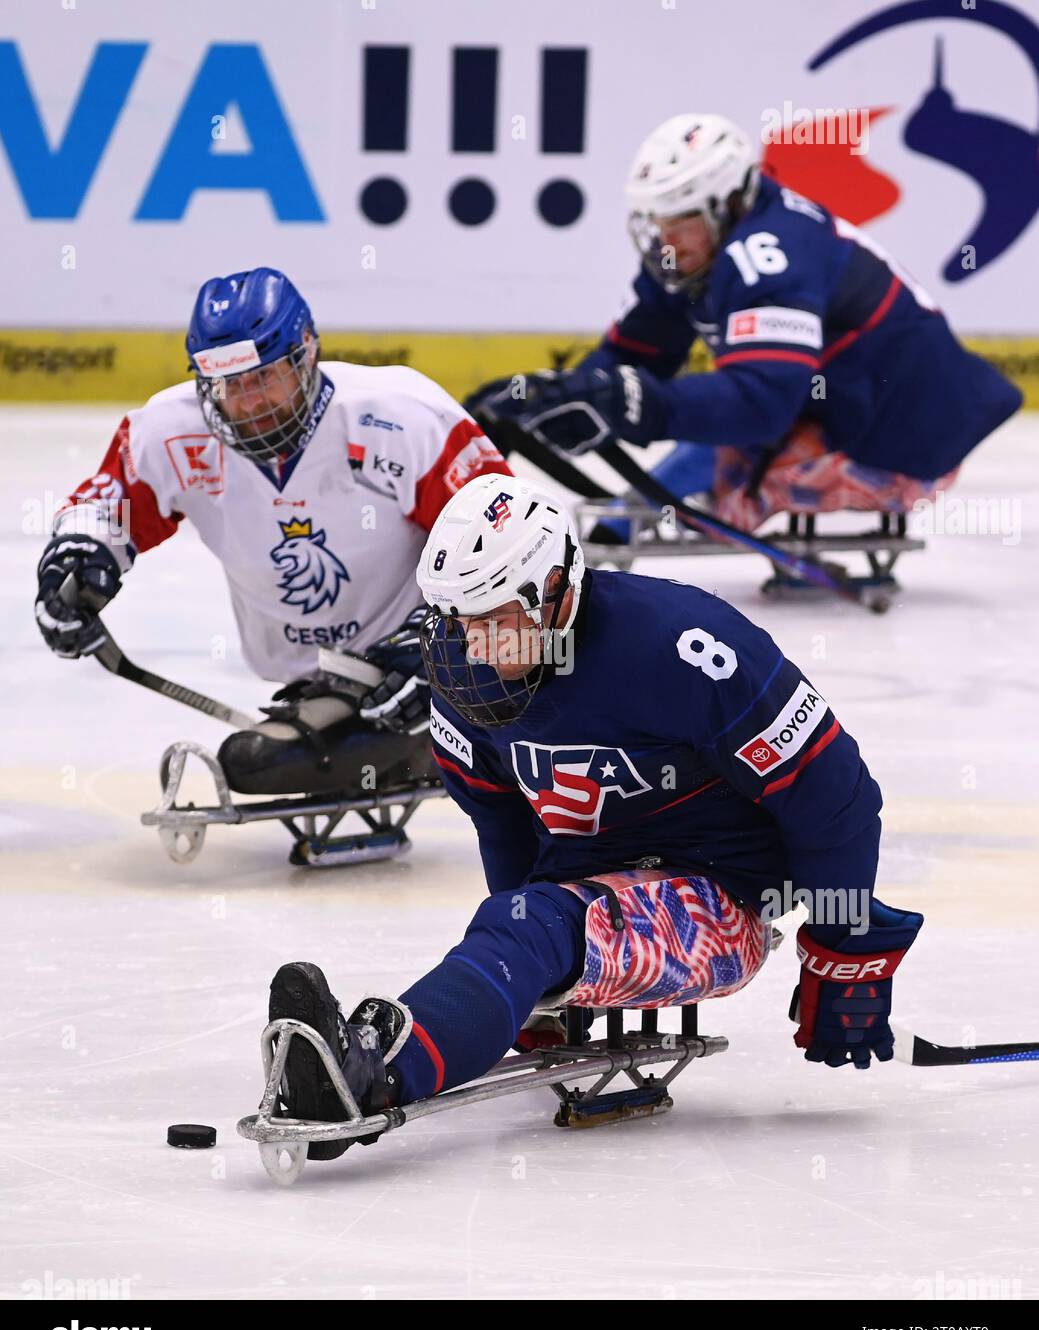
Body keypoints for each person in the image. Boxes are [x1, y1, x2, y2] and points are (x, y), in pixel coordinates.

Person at [266, 474, 923, 1159]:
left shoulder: (685, 645)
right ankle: (387, 1050)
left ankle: (373, 1075)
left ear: (554, 590)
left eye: (493, 617)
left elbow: (832, 792)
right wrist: (529, 990)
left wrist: (844, 959)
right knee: (517, 923)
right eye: (458, 618)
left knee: (519, 927)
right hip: (584, 886)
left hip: (721, 899)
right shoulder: (462, 670)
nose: (475, 646)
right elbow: (500, 822)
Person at [34, 266, 507, 795]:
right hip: (304, 672)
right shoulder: (172, 431)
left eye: (265, 376)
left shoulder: (400, 418)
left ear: (307, 354)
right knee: (258, 762)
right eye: (230, 384)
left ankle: (447, 732)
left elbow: (504, 535)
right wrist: (73, 565)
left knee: (255, 762)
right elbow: (107, 503)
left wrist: (443, 642)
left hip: (424, 650)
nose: (251, 401)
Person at [467, 113, 1022, 534]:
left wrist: (637, 406)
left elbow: (760, 405)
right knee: (711, 429)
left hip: (907, 446)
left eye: (679, 223)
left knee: (734, 481)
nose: (665, 242)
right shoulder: (699, 246)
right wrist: (557, 395)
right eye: (656, 223)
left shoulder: (771, 252)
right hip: (843, 406)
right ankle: (627, 516)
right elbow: (636, 353)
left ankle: (628, 517)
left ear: (727, 204)